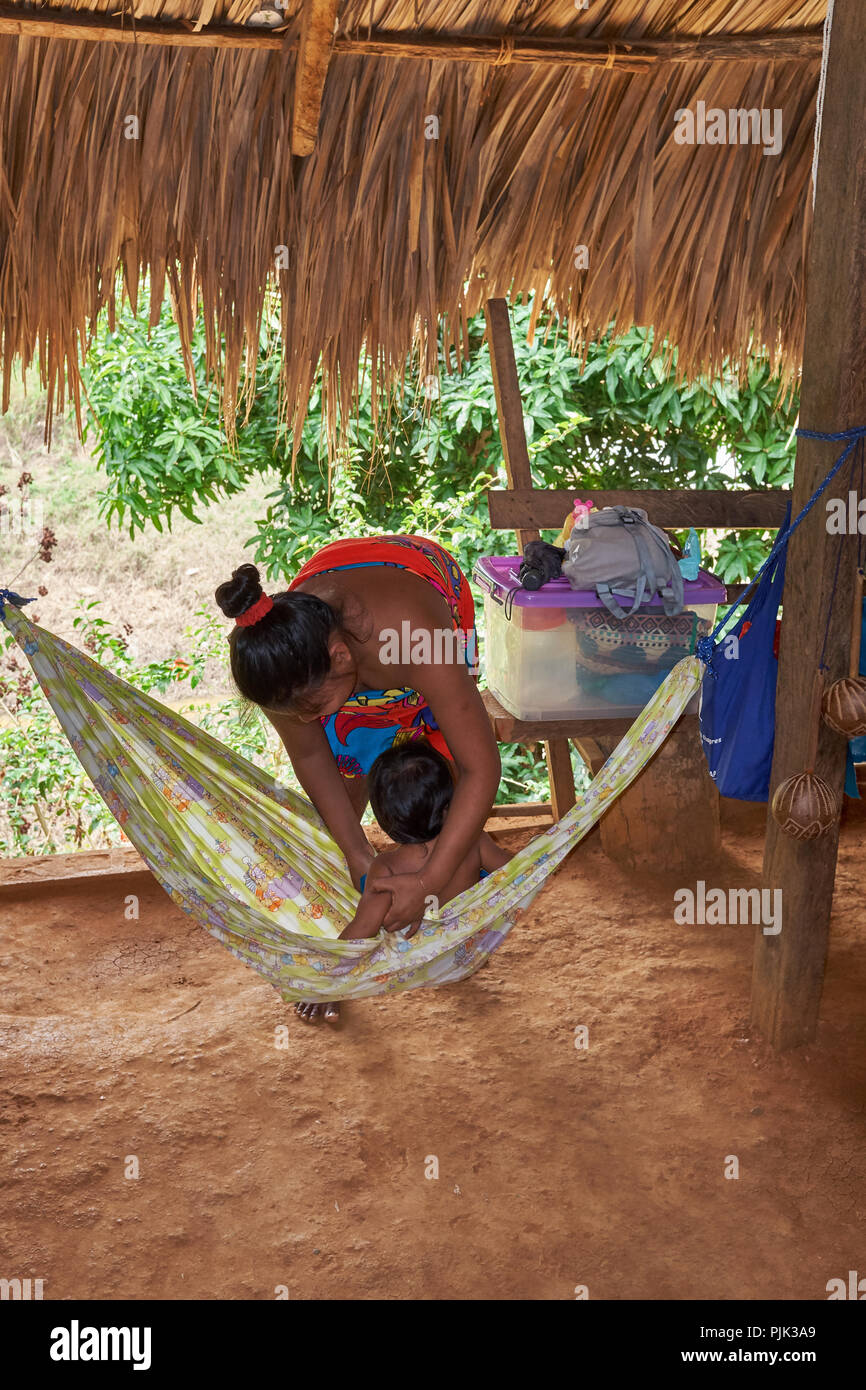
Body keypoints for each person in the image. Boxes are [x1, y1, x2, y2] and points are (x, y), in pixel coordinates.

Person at [215, 535, 502, 1021]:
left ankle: (450, 920)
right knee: (345, 747)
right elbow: (311, 756)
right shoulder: (279, 664)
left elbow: (481, 767)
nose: (303, 720)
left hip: (424, 588)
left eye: (310, 707)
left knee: (440, 764)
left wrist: (431, 880)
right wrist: (356, 852)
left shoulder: (419, 641)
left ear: (342, 657)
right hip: (341, 627)